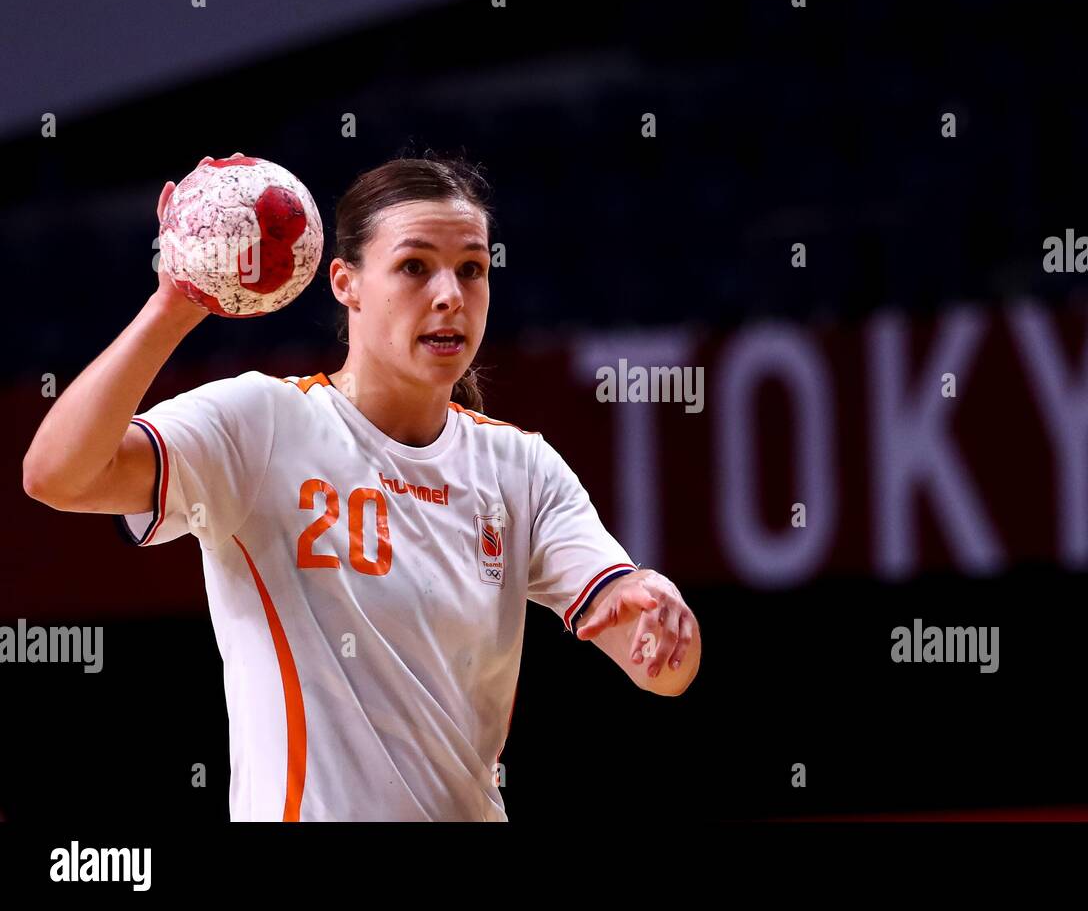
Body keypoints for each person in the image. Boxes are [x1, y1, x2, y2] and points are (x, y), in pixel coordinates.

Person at [22, 152, 701, 821]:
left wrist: (658, 612)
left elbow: (662, 671)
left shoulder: (521, 469)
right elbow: (57, 475)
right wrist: (174, 302)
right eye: (414, 267)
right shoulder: (262, 426)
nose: (449, 296)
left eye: (472, 269)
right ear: (345, 283)